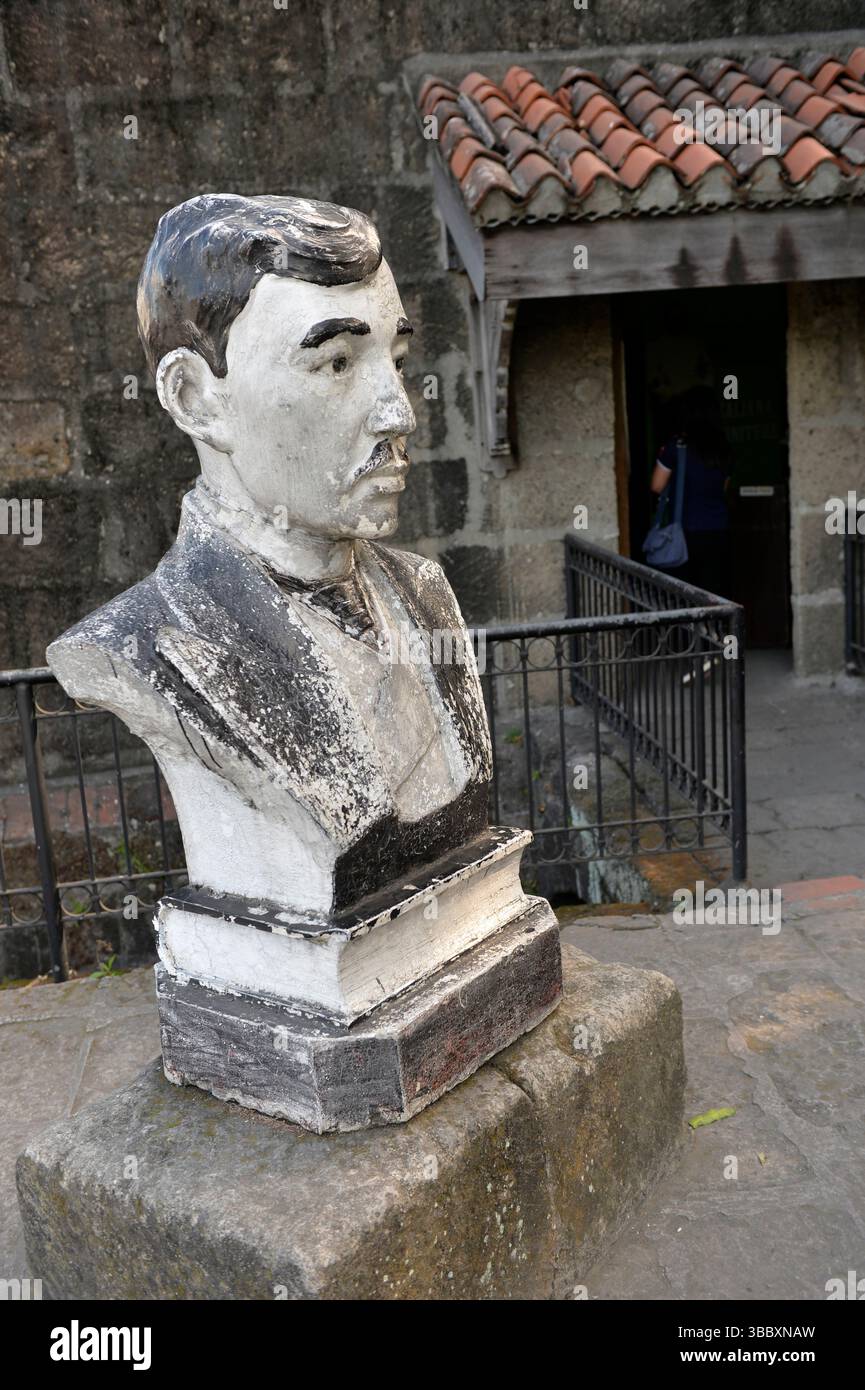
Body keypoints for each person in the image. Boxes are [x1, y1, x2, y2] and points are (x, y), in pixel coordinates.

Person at [650, 386, 731, 596]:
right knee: (712, 591)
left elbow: (656, 486)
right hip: (718, 528)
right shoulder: (723, 447)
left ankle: (690, 629)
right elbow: (724, 487)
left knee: (685, 593)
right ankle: (710, 628)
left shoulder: (676, 446)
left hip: (686, 531)